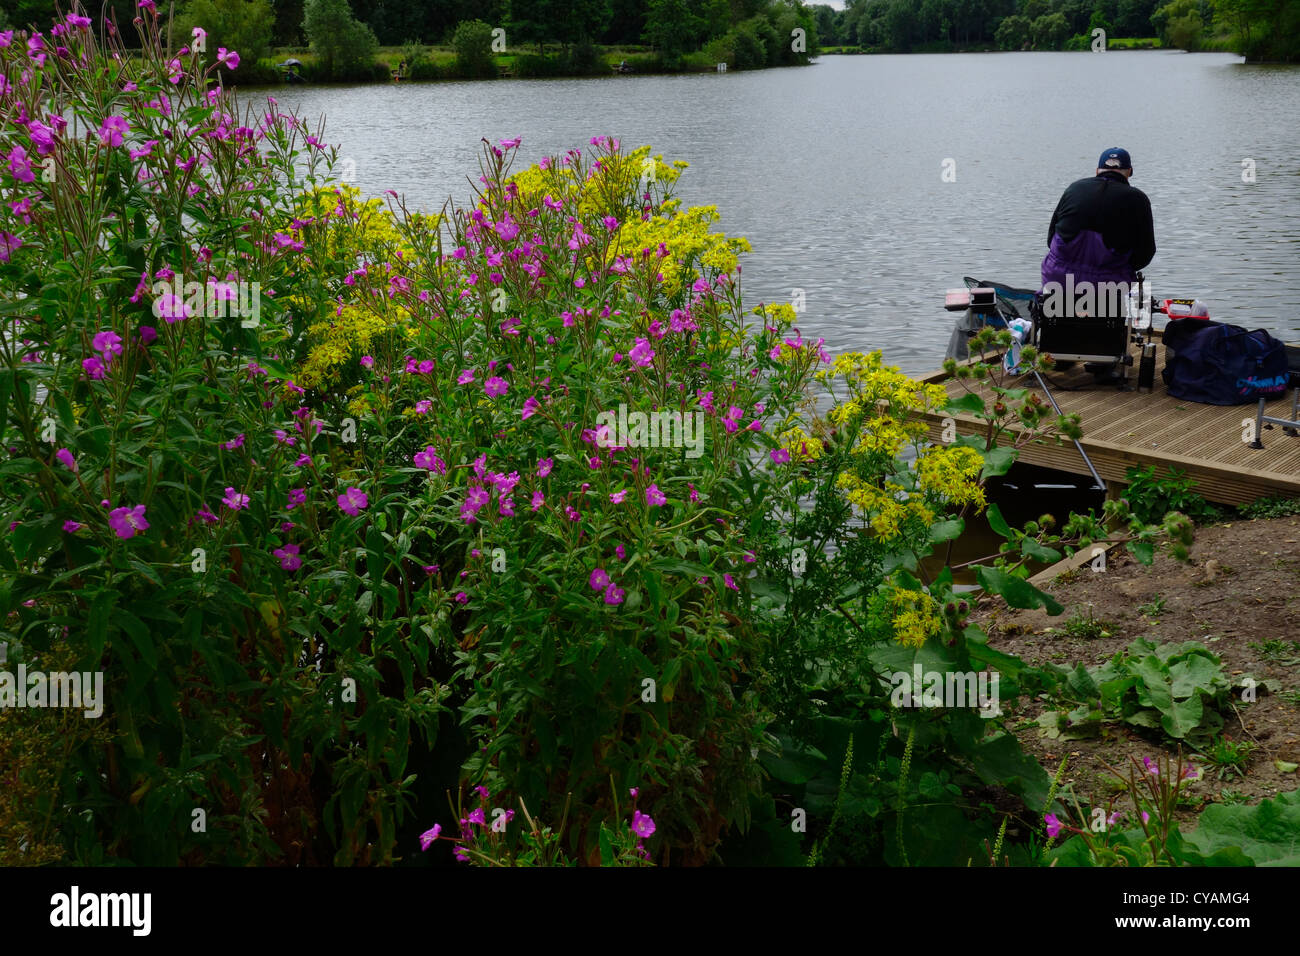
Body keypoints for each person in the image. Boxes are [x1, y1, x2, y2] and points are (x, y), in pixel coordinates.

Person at [1040, 147, 1155, 377]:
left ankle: (1058, 354)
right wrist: (1125, 265)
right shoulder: (1138, 199)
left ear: (1097, 170)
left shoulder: (1074, 188)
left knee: (1064, 290)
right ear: (1129, 172)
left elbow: (1050, 237)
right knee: (1108, 292)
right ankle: (1102, 361)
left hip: (1059, 280)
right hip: (1107, 286)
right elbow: (1146, 252)